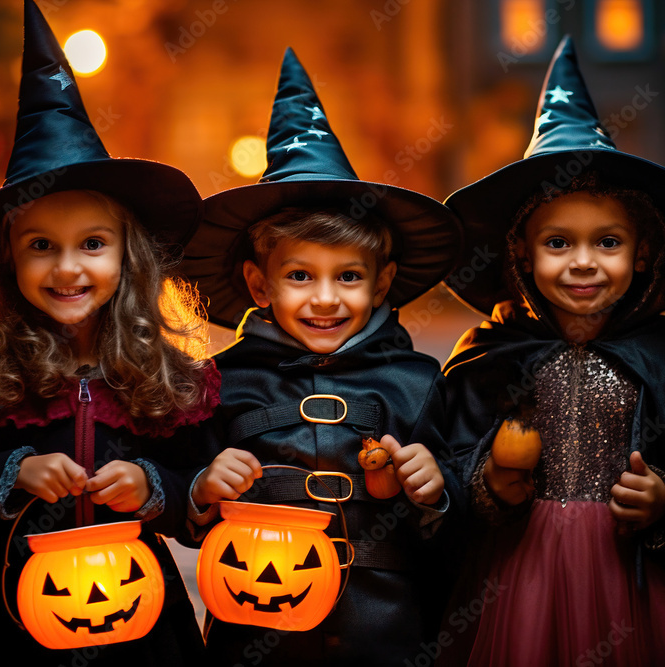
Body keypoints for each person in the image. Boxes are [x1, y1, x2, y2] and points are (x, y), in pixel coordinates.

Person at [438, 37, 665, 666]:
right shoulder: (490, 351)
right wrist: (491, 480)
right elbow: (445, 464)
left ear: (642, 253)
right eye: (559, 242)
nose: (583, 262)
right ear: (523, 255)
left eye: (609, 242)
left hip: (632, 581)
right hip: (518, 575)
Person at [0, 2, 217, 664]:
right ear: (8, 262)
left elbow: (198, 488)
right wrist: (13, 469)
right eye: (42, 246)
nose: (68, 266)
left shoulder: (162, 373)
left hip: (135, 609)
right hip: (7, 615)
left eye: (92, 243)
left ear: (127, 256)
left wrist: (153, 487)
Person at [177, 48, 464, 665]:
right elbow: (179, 498)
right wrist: (202, 489)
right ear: (260, 286)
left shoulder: (417, 383)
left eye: (349, 277)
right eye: (301, 275)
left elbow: (457, 524)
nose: (326, 299)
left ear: (382, 284)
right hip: (257, 625)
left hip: (385, 628)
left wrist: (432, 491)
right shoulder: (223, 382)